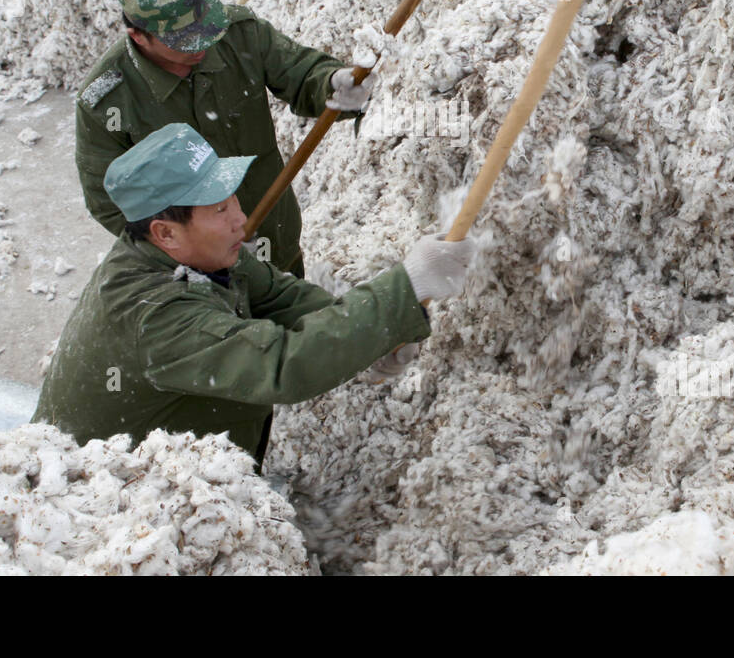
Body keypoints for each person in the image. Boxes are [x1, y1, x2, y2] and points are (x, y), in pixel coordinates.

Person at [34, 124, 476, 471]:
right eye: (219, 210)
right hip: (113, 504)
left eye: (233, 201)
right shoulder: (154, 316)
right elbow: (281, 366)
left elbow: (278, 294)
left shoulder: (190, 253)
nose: (240, 220)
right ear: (165, 232)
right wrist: (407, 286)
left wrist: (379, 336)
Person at [75, 0, 373, 277]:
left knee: (298, 320)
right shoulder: (108, 101)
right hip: (203, 275)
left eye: (203, 28)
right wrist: (196, 250)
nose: (202, 43)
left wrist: (332, 82)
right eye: (184, 39)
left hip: (273, 237)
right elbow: (108, 202)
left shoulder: (239, 35)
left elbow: (300, 73)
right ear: (139, 36)